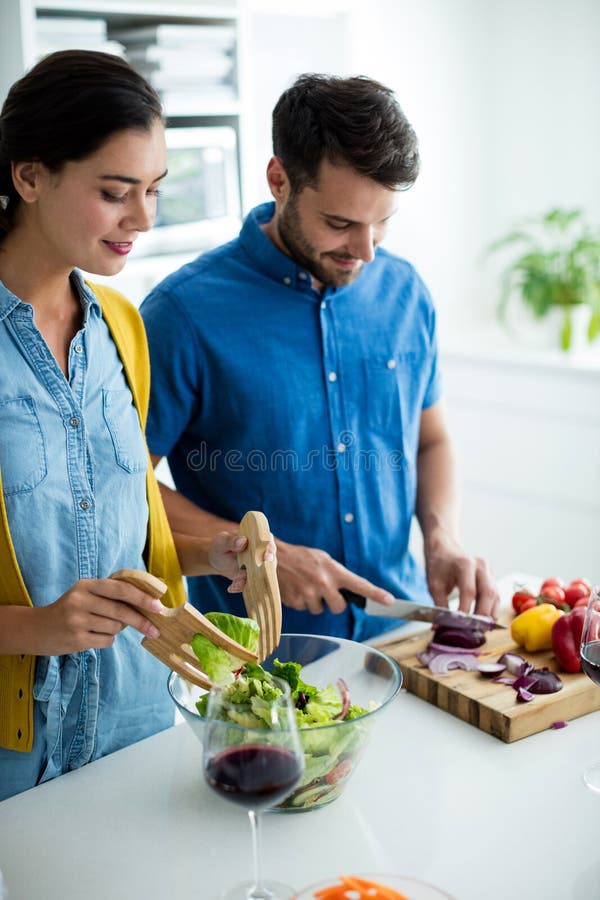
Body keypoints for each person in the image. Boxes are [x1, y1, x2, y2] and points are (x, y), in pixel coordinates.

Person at [141, 73, 499, 643]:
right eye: (340, 224)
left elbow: (431, 439)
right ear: (279, 179)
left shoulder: (405, 293)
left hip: (400, 632)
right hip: (260, 655)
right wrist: (260, 552)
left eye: (383, 222)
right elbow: (127, 483)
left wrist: (441, 537)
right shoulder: (180, 314)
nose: (366, 250)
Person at [0, 50, 266, 801]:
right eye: (116, 193)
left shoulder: (124, 327)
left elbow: (117, 535)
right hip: (16, 764)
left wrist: (211, 552)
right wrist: (32, 629)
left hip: (139, 727)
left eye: (153, 191)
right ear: (29, 177)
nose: (143, 219)